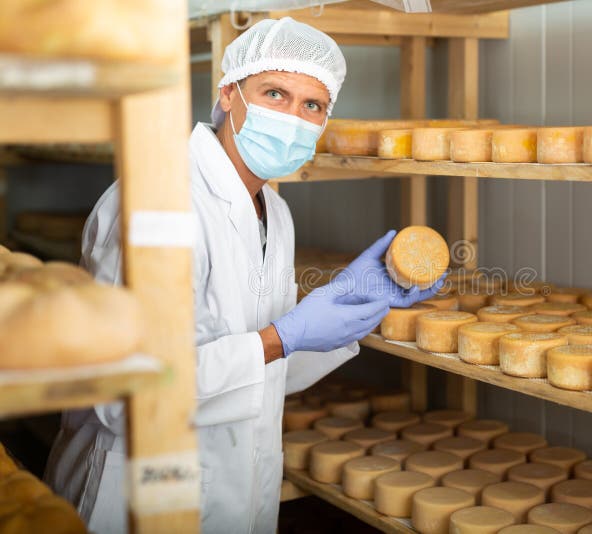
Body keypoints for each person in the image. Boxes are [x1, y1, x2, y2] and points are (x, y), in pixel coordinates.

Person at [45, 17, 442, 534]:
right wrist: (283, 337)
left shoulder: (274, 213)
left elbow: (261, 369)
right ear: (229, 93)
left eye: (312, 106)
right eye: (275, 93)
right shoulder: (156, 201)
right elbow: (122, 396)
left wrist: (349, 307)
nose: (294, 118)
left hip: (236, 493)